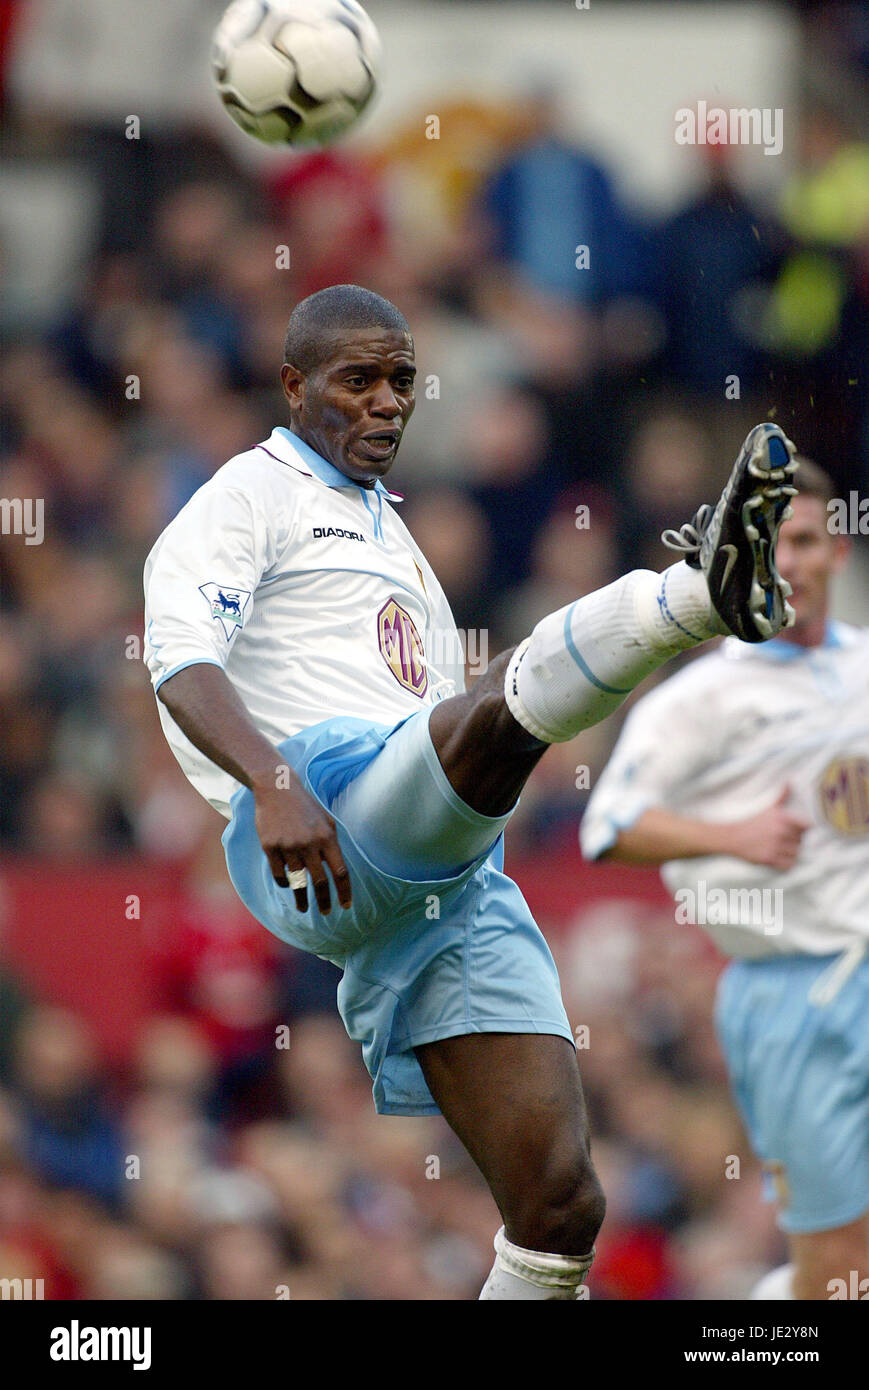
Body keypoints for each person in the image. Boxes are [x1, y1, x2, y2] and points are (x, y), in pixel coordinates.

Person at [143, 283, 797, 1301]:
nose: (386, 402)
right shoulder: (248, 494)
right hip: (315, 808)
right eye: (357, 380)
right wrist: (271, 782)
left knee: (559, 1208)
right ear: (292, 385)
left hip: (444, 884)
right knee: (496, 714)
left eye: (401, 380)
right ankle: (696, 594)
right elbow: (178, 658)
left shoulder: (391, 536)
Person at [581, 459, 869, 1301]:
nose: (790, 564)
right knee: (840, 1262)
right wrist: (731, 835)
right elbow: (608, 827)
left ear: (837, 549)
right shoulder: (697, 699)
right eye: (769, 545)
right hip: (791, 996)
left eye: (804, 540)